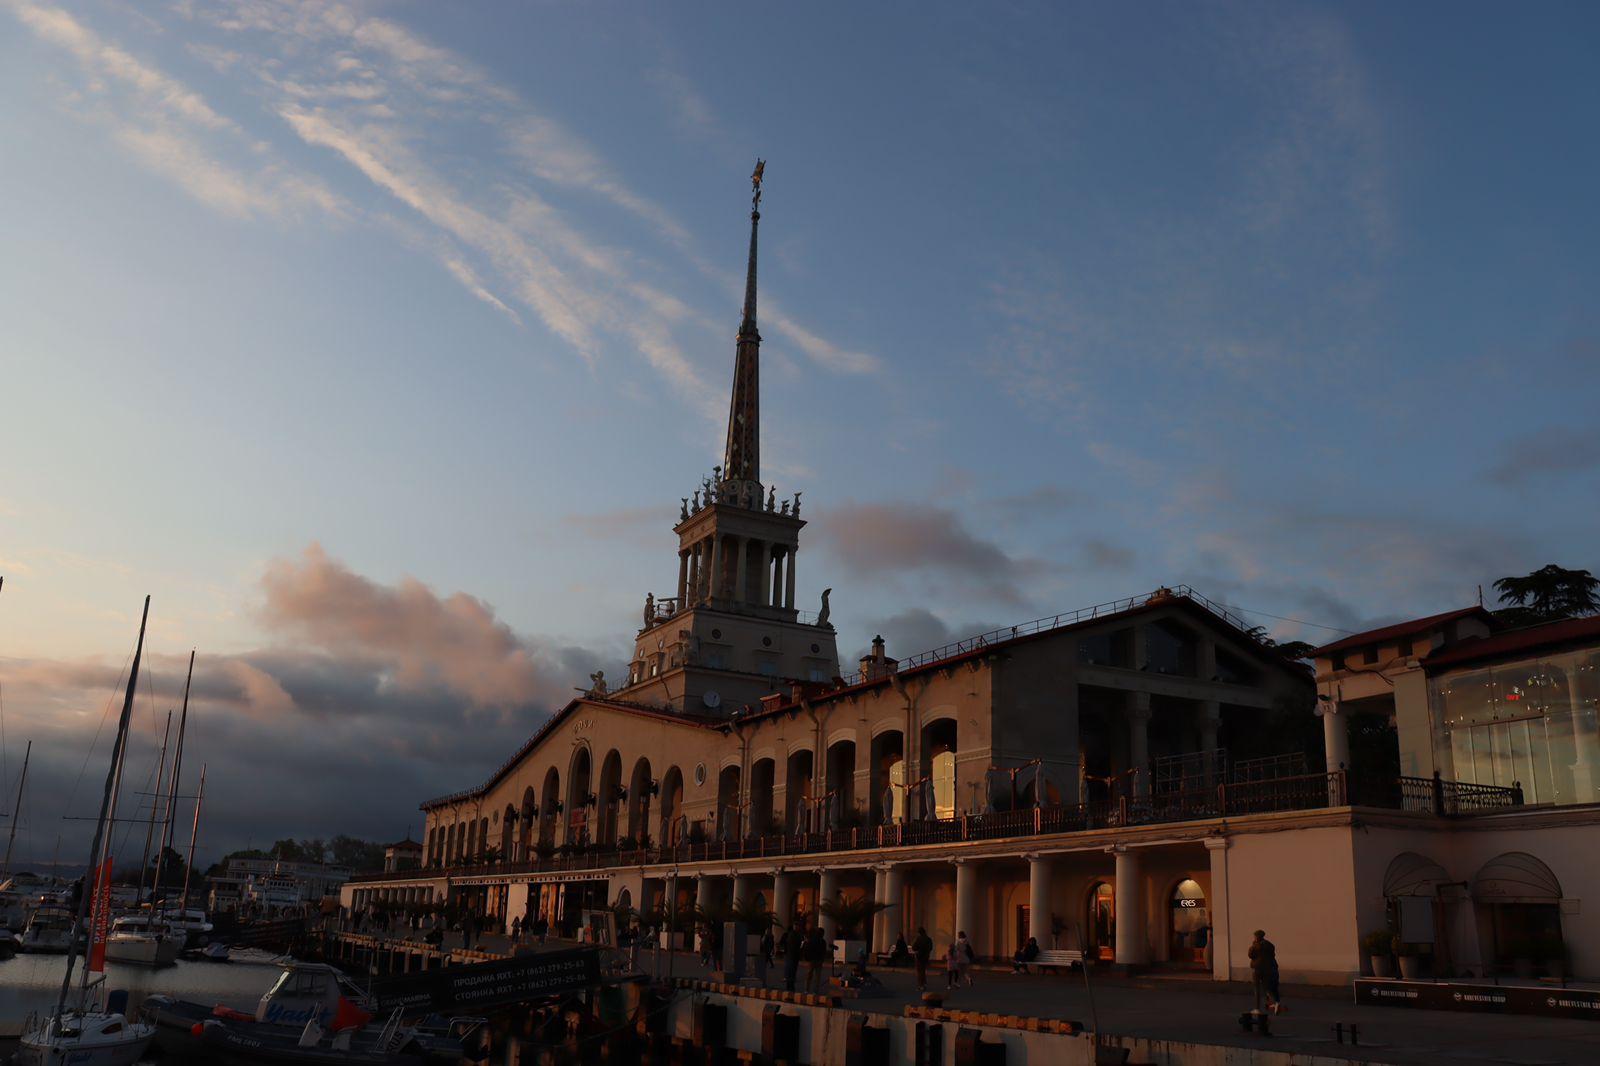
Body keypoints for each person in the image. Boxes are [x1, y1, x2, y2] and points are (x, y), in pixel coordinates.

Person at [1249, 929, 1284, 1014]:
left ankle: (1257, 1009)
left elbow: (1250, 954)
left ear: (1257, 937)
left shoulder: (1255, 945)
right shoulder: (1270, 945)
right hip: (1268, 969)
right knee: (1268, 987)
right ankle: (1276, 1002)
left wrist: (1253, 946)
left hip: (1257, 969)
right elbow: (1273, 954)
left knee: (1257, 988)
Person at [804, 925, 829, 993]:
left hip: (812, 960)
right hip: (818, 960)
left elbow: (807, 949)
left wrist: (807, 958)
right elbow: (824, 952)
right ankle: (815, 990)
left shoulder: (812, 940)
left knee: (809, 976)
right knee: (817, 977)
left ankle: (807, 989)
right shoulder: (823, 941)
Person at [783, 923, 805, 992]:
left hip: (793, 956)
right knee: (791, 972)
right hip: (792, 955)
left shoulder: (796, 934)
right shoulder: (793, 935)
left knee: (792, 972)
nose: (797, 928)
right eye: (796, 926)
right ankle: (790, 987)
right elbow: (794, 945)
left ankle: (790, 986)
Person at [912, 927, 934, 991]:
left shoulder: (918, 939)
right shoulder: (929, 939)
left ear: (919, 933)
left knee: (919, 972)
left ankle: (920, 985)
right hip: (926, 957)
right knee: (923, 970)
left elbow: (914, 947)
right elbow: (930, 948)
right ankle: (924, 984)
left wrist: (918, 950)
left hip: (919, 957)